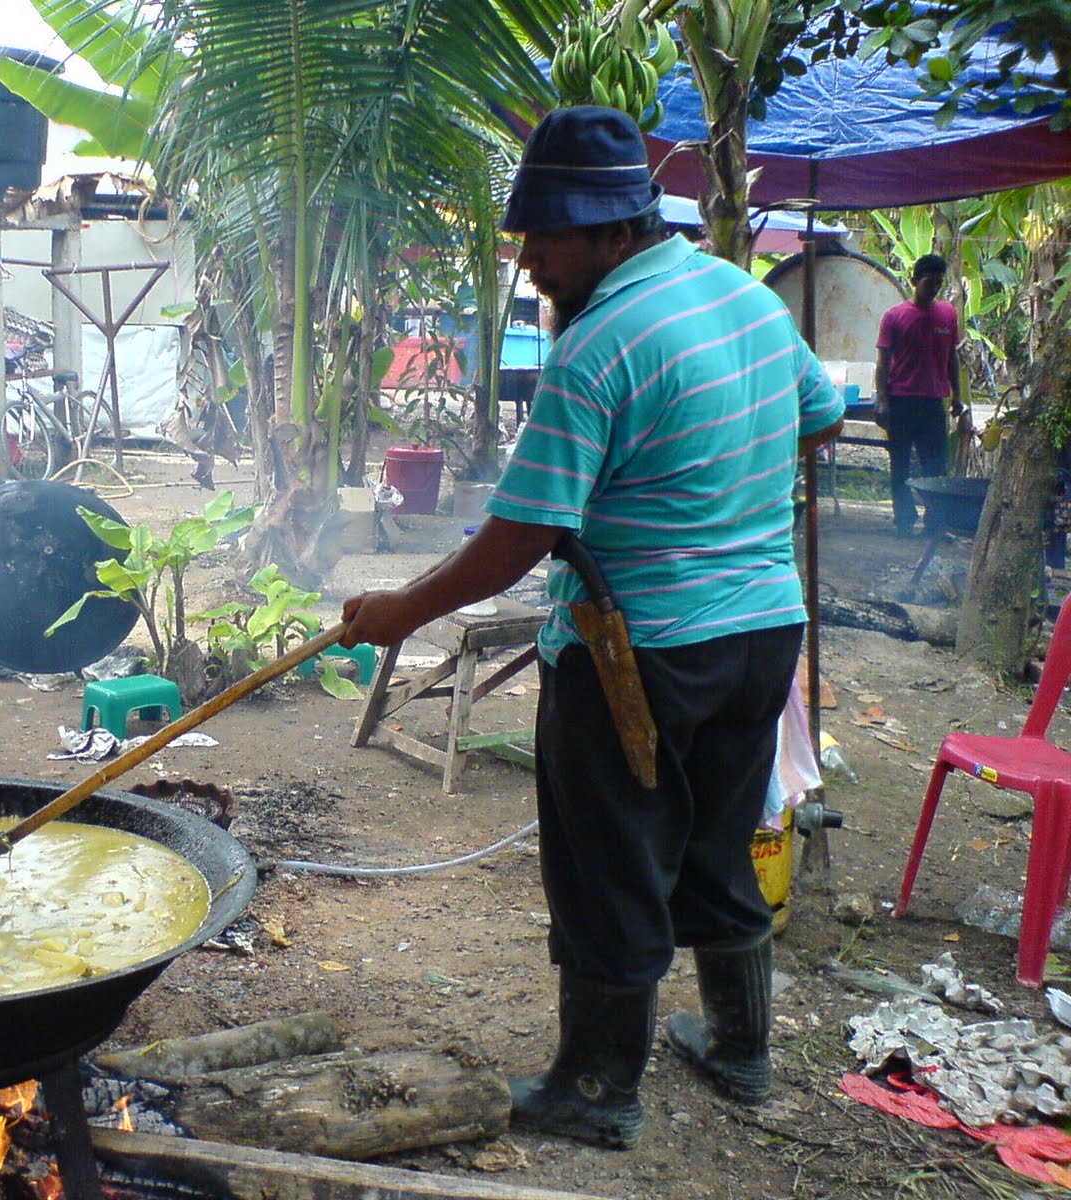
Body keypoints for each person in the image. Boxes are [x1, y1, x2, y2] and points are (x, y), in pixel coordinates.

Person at [340, 107, 844, 1151]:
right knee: (714, 834)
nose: (529, 260)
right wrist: (714, 479)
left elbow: (519, 536)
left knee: (609, 856)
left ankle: (598, 1088)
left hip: (641, 648)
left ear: (616, 231)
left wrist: (399, 613)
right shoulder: (740, 297)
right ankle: (741, 1046)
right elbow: (817, 410)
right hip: (761, 634)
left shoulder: (599, 344)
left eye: (548, 235)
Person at [875, 254, 963, 536]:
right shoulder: (894, 317)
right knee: (900, 464)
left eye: (938, 282)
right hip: (901, 401)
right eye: (928, 282)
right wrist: (883, 400)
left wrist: (957, 396)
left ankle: (936, 524)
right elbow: (883, 363)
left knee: (935, 468)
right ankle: (904, 520)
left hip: (933, 403)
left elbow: (952, 358)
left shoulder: (948, 314)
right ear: (914, 281)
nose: (933, 287)